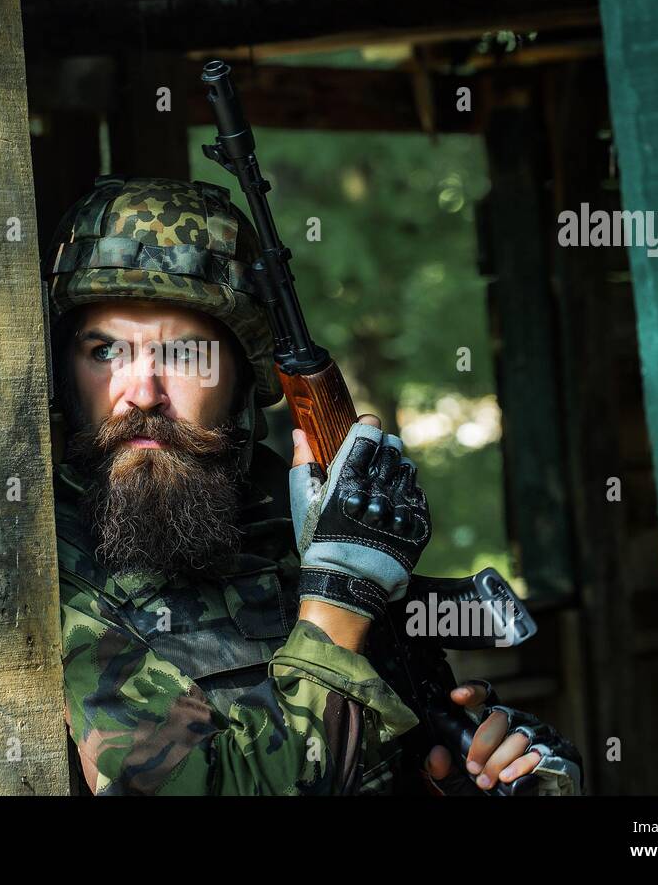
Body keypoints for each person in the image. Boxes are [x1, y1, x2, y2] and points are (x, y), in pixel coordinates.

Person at [42, 174, 583, 796]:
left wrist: (491, 760)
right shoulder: (49, 559)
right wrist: (337, 603)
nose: (141, 391)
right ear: (65, 371)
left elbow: (409, 738)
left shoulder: (297, 519)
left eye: (186, 355)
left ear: (242, 381)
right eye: (105, 351)